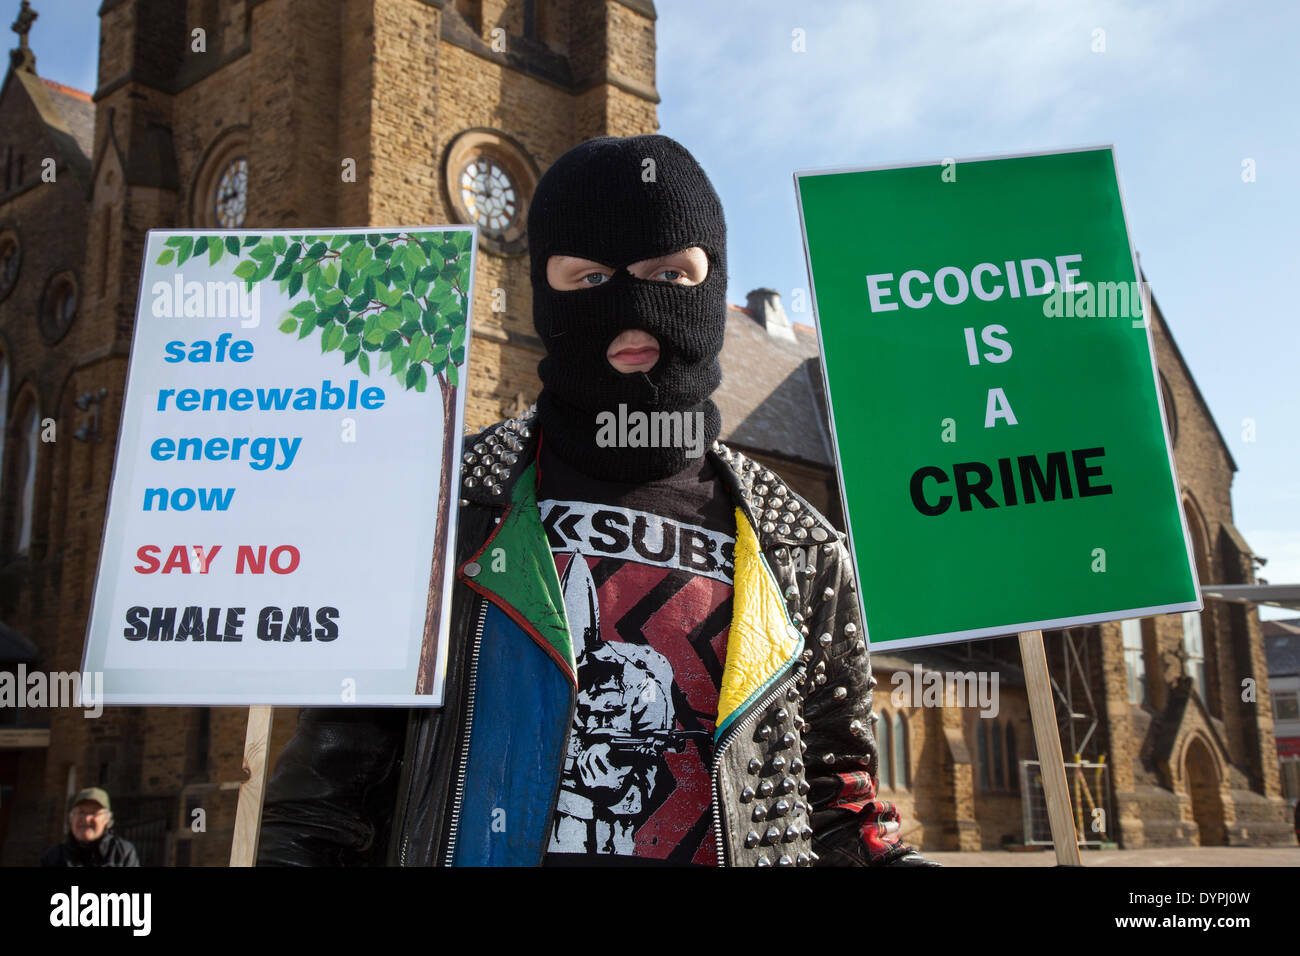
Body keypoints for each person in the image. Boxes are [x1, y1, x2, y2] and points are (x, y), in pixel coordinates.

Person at [258, 133, 936, 867]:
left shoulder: (800, 546)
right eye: (589, 280)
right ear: (543, 291)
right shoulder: (444, 507)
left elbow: (838, 807)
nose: (631, 308)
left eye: (669, 274)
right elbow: (330, 802)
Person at [40, 787, 140, 867]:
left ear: (107, 820)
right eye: (81, 812)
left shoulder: (122, 853)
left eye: (94, 813)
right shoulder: (54, 857)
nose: (87, 819)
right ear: (71, 818)